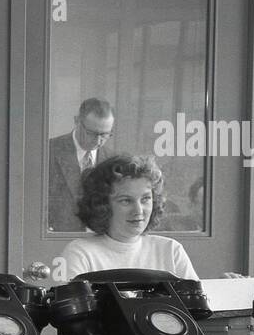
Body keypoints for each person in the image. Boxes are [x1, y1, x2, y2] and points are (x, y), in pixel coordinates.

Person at [58, 154, 198, 280]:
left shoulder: (171, 251)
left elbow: (197, 308)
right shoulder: (80, 254)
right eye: (126, 200)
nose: (138, 210)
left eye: (145, 199)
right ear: (102, 205)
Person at [47, 98, 115, 232]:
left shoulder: (112, 160)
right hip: (55, 239)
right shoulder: (48, 151)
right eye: (91, 133)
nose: (98, 141)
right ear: (77, 121)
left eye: (105, 134)